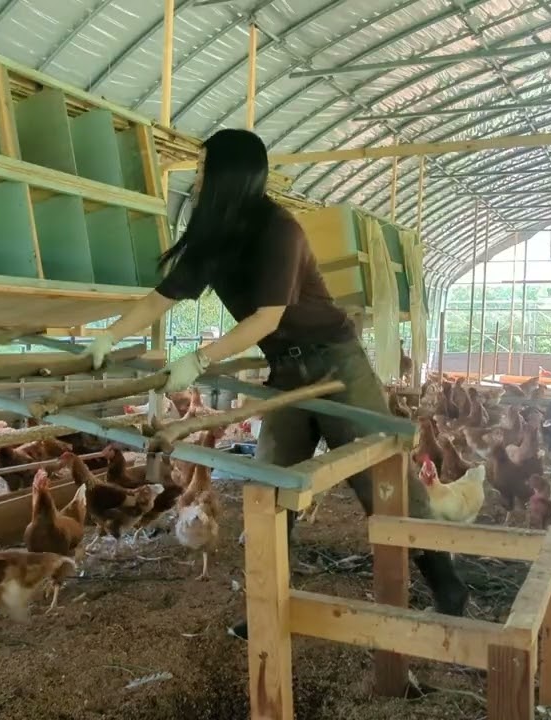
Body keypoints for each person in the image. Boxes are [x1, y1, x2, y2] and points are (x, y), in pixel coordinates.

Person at [83, 128, 467, 635]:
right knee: (268, 484)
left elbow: (266, 317)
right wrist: (108, 335)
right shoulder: (213, 234)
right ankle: (267, 603)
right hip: (287, 371)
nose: (197, 179)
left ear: (227, 176)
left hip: (337, 363)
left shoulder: (277, 229)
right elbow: (162, 297)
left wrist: (198, 359)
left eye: (203, 170)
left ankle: (447, 585)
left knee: (382, 483)